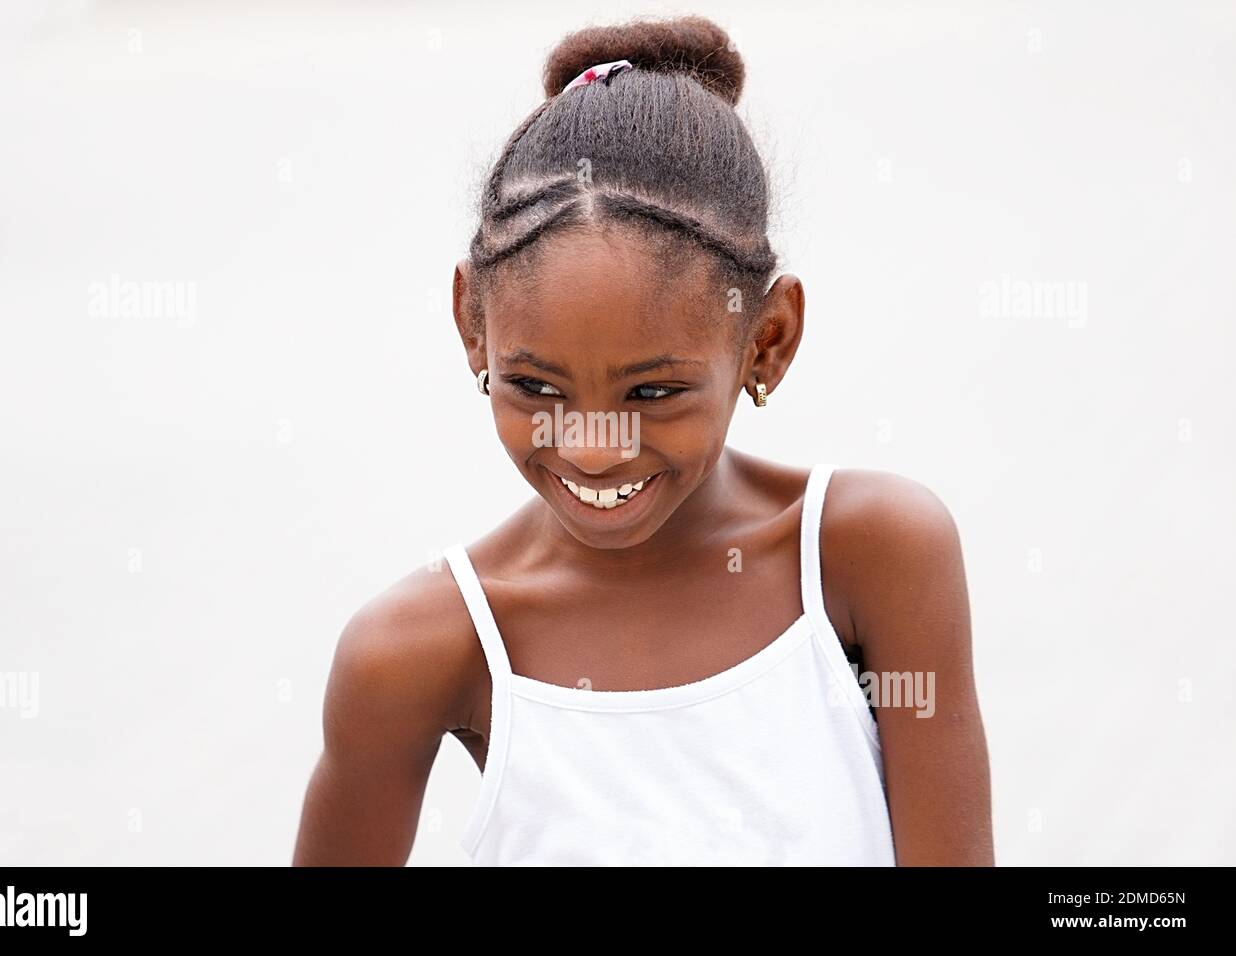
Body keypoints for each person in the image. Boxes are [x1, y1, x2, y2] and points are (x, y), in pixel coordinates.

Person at [293, 14, 993, 866]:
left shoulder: (871, 558)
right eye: (536, 387)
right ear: (472, 325)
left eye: (653, 392)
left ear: (767, 339)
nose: (592, 448)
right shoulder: (420, 649)